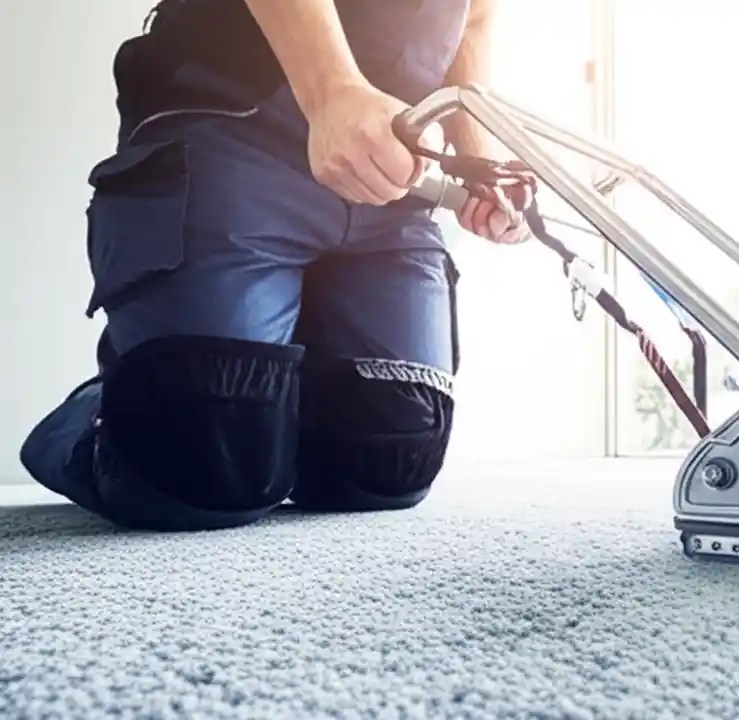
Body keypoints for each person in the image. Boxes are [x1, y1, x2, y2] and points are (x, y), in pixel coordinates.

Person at [20, 0, 527, 531]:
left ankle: (268, 413)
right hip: (232, 129)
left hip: (388, 172)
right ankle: (103, 417)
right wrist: (333, 90)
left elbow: (475, 15)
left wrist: (480, 157)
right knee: (197, 469)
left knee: (386, 465)